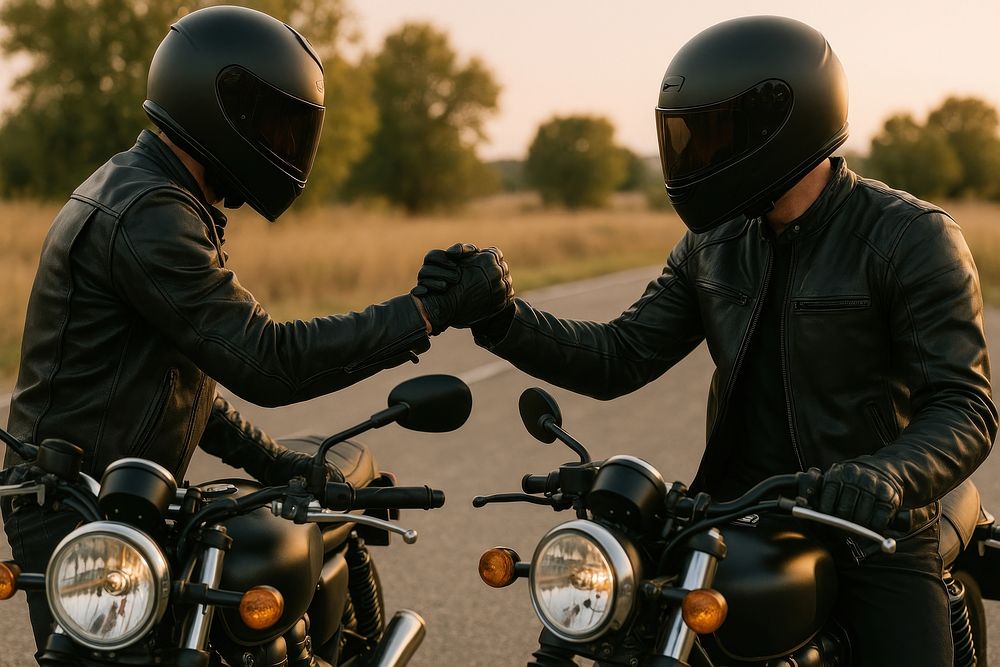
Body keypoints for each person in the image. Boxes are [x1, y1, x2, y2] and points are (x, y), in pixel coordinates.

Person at [420, 16, 997, 665]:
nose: (696, 154)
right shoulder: (713, 244)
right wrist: (499, 317)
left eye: (714, 135)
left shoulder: (910, 238)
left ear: (780, 128)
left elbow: (964, 405)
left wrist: (885, 476)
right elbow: (621, 353)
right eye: (687, 135)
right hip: (727, 516)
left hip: (870, 529)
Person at [1, 5, 509, 655]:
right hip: (88, 510)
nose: (284, 145)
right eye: (274, 125)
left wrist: (279, 463)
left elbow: (179, 379)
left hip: (109, 496)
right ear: (221, 108)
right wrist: (426, 311)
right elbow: (264, 359)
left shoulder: (144, 187)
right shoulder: (152, 211)